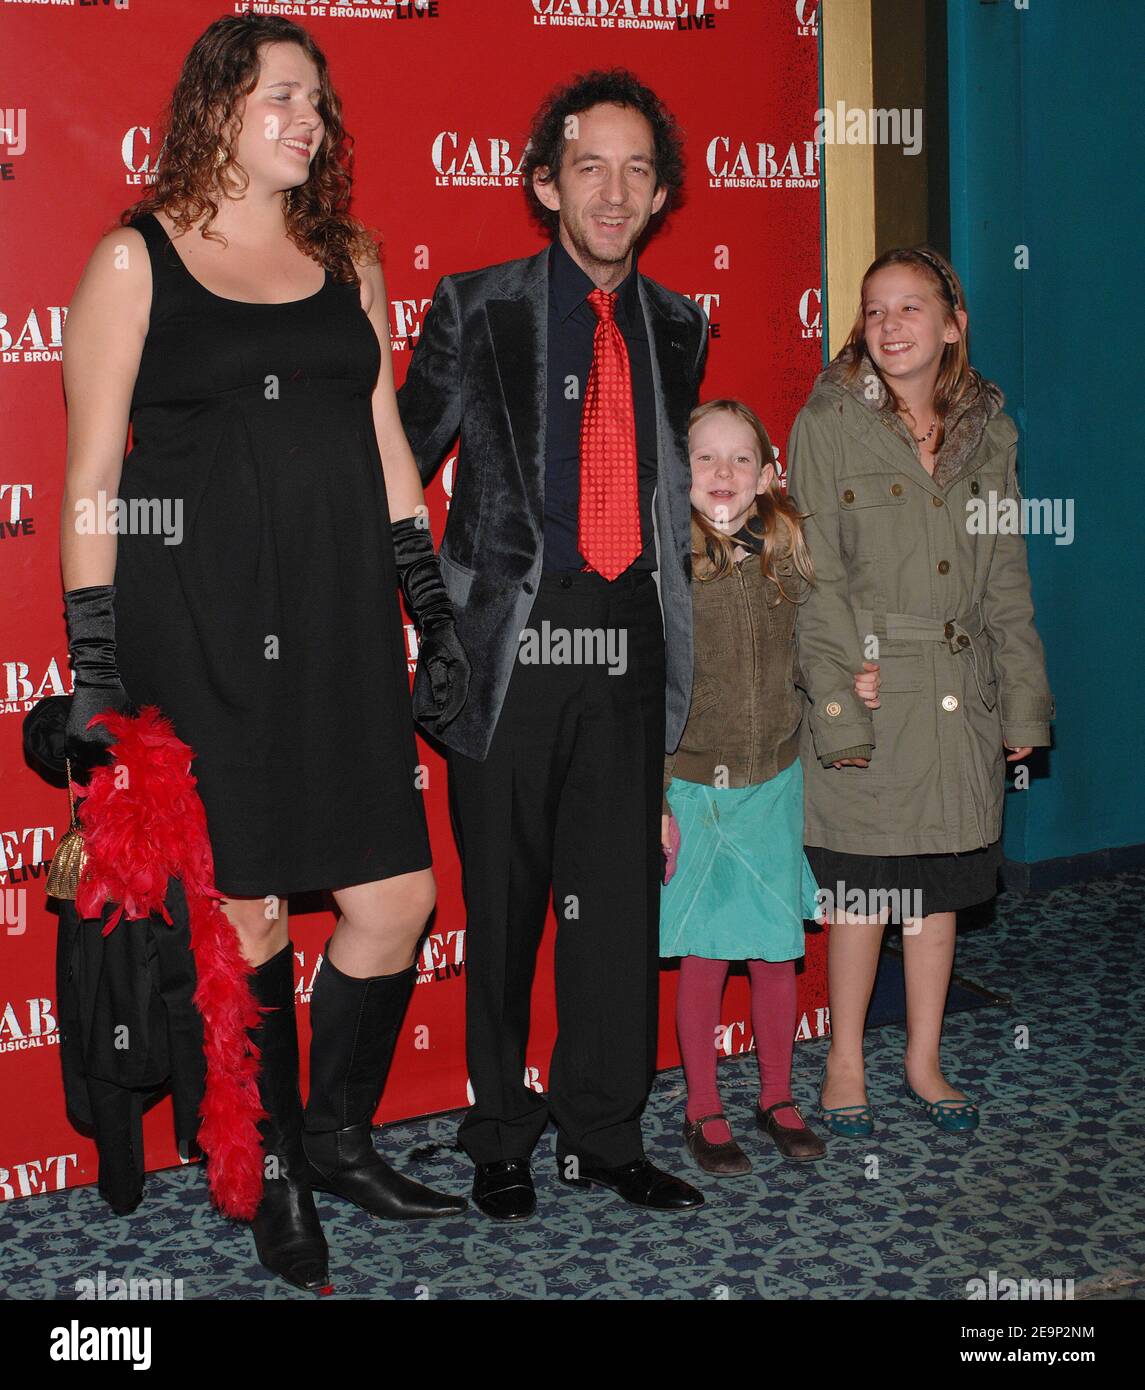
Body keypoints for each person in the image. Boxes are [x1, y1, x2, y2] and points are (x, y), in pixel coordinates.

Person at [59, 13, 469, 1292]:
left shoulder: (349, 254)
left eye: (317, 101)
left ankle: (337, 1134)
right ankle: (277, 1167)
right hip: (201, 627)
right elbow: (87, 479)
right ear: (216, 107)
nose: (309, 119)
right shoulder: (136, 259)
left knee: (394, 899)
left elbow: (389, 449)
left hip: (342, 620)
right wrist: (96, 669)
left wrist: (432, 609)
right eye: (282, 95)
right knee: (242, 913)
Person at [397, 70, 708, 1220]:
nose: (613, 191)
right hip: (515, 649)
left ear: (660, 191)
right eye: (589, 166)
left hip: (628, 643)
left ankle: (604, 1133)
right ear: (544, 182)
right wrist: (435, 616)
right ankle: (498, 1136)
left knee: (615, 907)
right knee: (510, 906)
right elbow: (399, 467)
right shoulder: (477, 306)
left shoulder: (679, 326)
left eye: (636, 170)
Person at [785, 246, 1054, 1137]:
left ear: (952, 323)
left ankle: (925, 1058)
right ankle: (846, 1060)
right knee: (864, 899)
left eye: (910, 308)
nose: (890, 326)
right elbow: (812, 577)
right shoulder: (826, 423)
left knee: (937, 896)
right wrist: (835, 699)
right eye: (874, 311)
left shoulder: (992, 432)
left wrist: (1022, 704)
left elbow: (1005, 576)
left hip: (961, 696)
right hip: (873, 686)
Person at [661, 399, 878, 1174]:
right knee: (704, 957)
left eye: (740, 459)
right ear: (677, 470)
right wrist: (652, 797)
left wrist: (848, 700)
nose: (722, 474)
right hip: (691, 787)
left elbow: (817, 651)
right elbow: (646, 690)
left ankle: (776, 1095)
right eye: (705, 458)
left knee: (773, 953)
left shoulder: (788, 551)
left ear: (767, 473)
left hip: (773, 782)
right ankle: (701, 1106)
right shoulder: (665, 563)